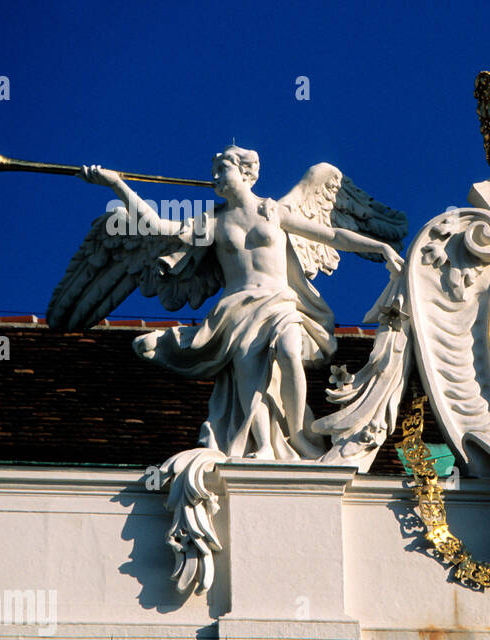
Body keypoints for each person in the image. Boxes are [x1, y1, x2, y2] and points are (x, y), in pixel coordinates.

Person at [82, 146, 395, 460]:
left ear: (246, 173)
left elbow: (332, 235)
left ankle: (299, 434)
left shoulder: (274, 210)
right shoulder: (212, 221)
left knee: (288, 351)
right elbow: (158, 226)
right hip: (236, 310)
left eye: (223, 169)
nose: (216, 177)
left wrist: (381, 248)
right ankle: (263, 446)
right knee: (249, 379)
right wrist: (116, 185)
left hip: (278, 302)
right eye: (214, 172)